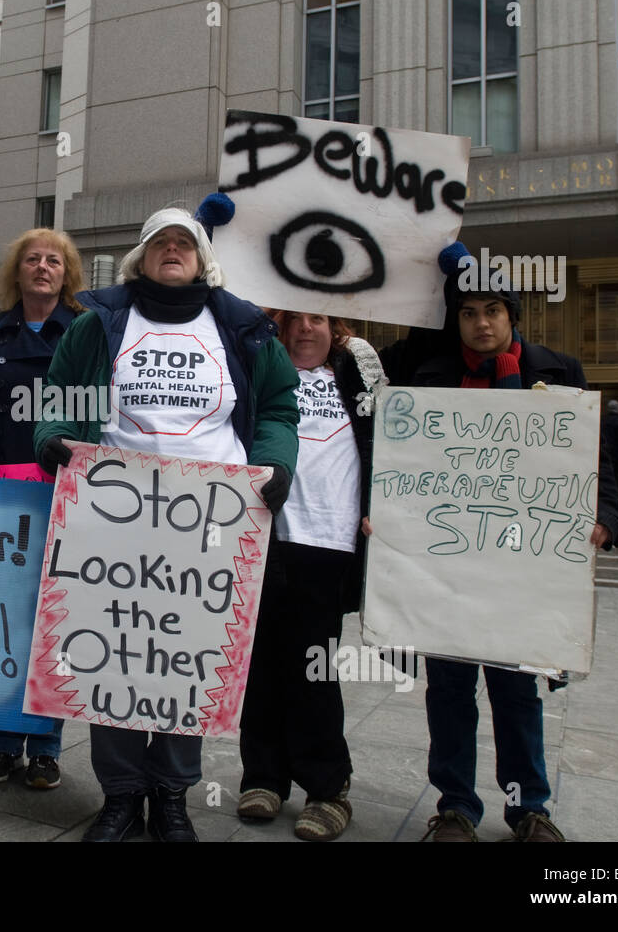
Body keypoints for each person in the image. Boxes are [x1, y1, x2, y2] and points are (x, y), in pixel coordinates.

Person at [34, 204, 300, 842]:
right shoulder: (100, 324)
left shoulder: (244, 329)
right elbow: (60, 397)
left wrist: (273, 468)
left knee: (189, 659)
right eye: (160, 243)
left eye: (185, 243)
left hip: (213, 523)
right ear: (142, 257)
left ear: (202, 259)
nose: (172, 251)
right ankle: (122, 795)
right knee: (114, 657)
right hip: (113, 518)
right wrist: (55, 441)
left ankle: (172, 797)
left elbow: (278, 409)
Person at [403, 242, 618, 842]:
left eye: (493, 310)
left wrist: (603, 514)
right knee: (448, 689)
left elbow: (594, 457)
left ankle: (530, 809)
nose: (481, 323)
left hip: (521, 565)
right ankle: (455, 807)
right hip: (447, 562)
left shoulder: (558, 373)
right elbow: (397, 458)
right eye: (469, 312)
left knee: (515, 691)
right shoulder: (430, 373)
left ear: (512, 316)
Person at [236, 310, 384, 841]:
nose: (305, 329)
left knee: (313, 670)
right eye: (293, 320)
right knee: (260, 667)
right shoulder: (260, 372)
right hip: (267, 542)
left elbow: (388, 440)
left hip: (331, 545)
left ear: (334, 328)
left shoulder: (354, 374)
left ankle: (327, 788)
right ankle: (264, 777)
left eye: (316, 320)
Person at [0, 228, 84, 789]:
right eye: (33, 260)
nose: (43, 267)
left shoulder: (87, 334)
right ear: (16, 273)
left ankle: (44, 746)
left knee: (55, 621)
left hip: (64, 492)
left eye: (54, 261)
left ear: (68, 274)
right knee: (2, 621)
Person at [603, 399, 618, 496]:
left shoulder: (603, 420)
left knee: (606, 472)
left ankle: (606, 492)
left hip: (605, 451)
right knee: (617, 473)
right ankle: (616, 492)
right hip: (616, 453)